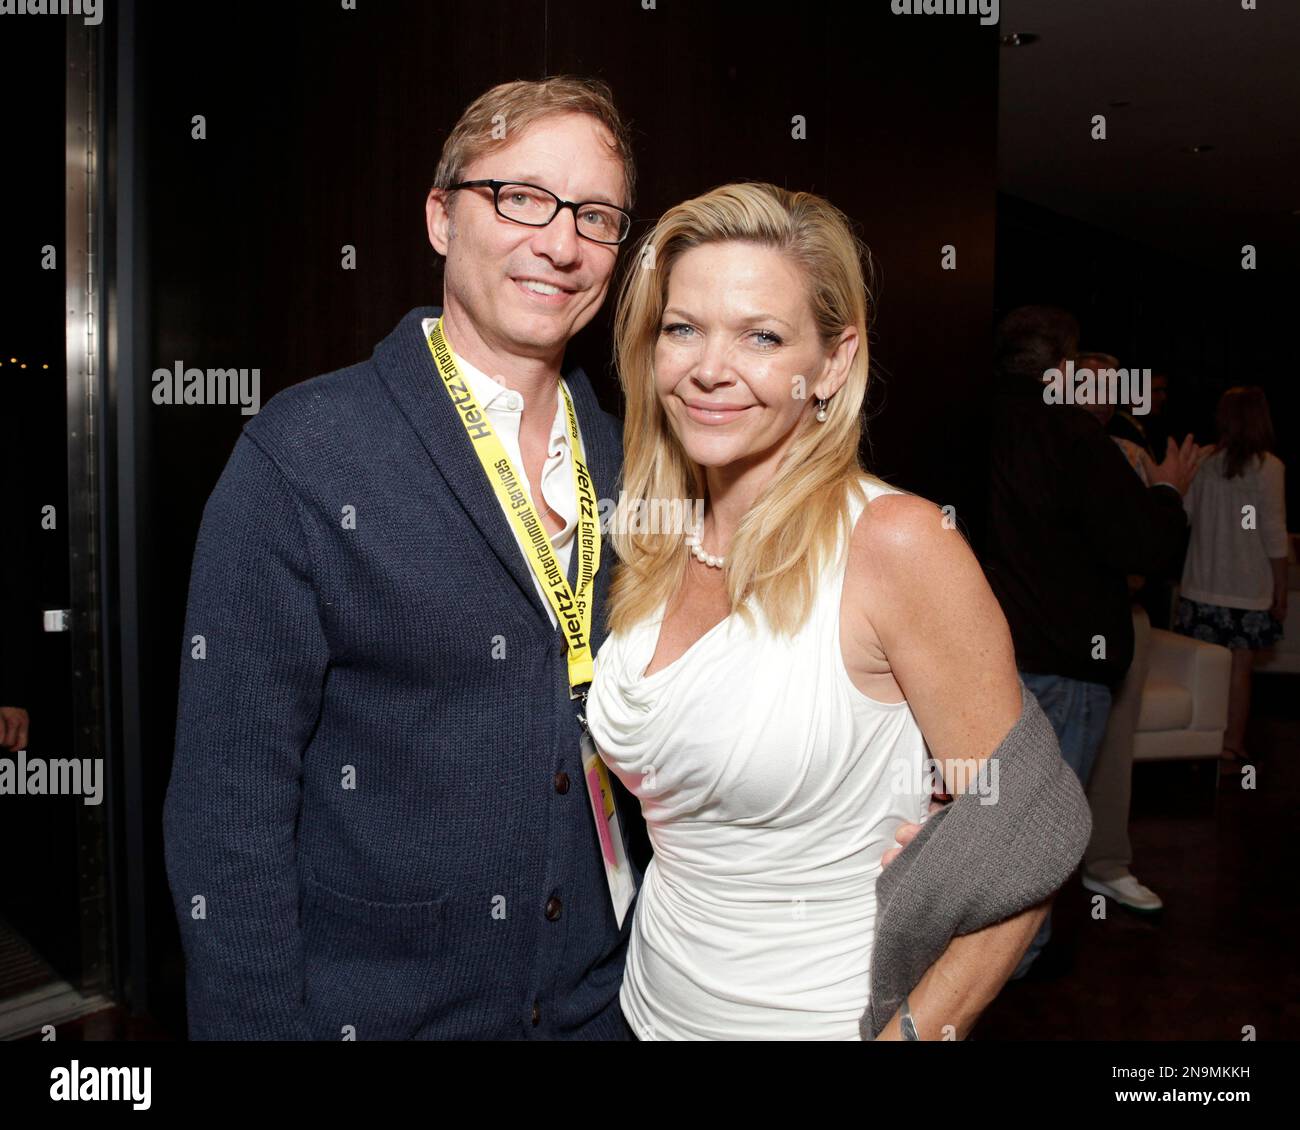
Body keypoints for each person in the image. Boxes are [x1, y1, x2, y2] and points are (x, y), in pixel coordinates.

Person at [163, 75, 646, 1040]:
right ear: (440, 217)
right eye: (520, 198)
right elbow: (229, 817)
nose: (560, 242)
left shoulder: (635, 460)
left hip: (607, 1006)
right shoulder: (303, 455)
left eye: (595, 215)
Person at [584, 182, 1062, 1041]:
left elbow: (1030, 828)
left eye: (761, 336)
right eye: (682, 327)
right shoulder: (652, 536)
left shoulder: (894, 544)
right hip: (645, 1012)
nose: (709, 367)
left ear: (833, 363)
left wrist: (914, 1036)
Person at [981, 308, 1205, 977]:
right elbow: (1144, 544)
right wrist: (1168, 492)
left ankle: (981, 960)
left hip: (978, 654)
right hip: (1062, 656)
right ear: (1061, 367)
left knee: (989, 814)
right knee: (1040, 823)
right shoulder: (1072, 437)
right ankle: (1011, 963)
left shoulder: (975, 421)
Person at [1174, 385, 1288, 771]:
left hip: (1200, 584)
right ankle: (1230, 745)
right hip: (1248, 589)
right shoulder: (1269, 468)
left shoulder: (1205, 463)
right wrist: (1281, 589)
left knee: (1204, 669)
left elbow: (1183, 516)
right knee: (1239, 671)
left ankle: (1201, 746)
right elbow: (1274, 535)